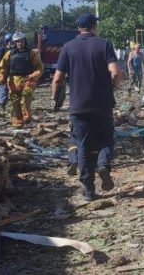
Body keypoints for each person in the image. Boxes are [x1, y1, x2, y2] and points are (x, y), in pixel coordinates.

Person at [52, 13, 122, 200]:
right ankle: (103, 164)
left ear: (79, 28)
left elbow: (58, 78)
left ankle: (88, 190)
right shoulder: (104, 44)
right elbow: (116, 73)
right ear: (93, 27)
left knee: (82, 146)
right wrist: (111, 88)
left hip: (78, 106)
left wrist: (55, 97)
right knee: (106, 139)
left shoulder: (67, 47)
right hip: (102, 105)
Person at [0, 32, 42, 127]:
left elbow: (39, 67)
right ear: (14, 43)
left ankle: (27, 119)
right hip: (13, 80)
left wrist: (33, 75)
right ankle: (18, 121)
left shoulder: (32, 53)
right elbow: (2, 66)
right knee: (15, 101)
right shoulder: (9, 53)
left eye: (21, 41)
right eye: (17, 42)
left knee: (25, 99)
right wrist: (0, 77)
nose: (19, 44)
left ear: (24, 41)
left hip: (28, 80)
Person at [0, 33, 12, 109]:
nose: (12, 42)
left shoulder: (14, 50)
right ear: (7, 41)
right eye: (10, 41)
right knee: (3, 88)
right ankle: (1, 105)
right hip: (3, 72)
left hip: (12, 72)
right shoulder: (2, 49)